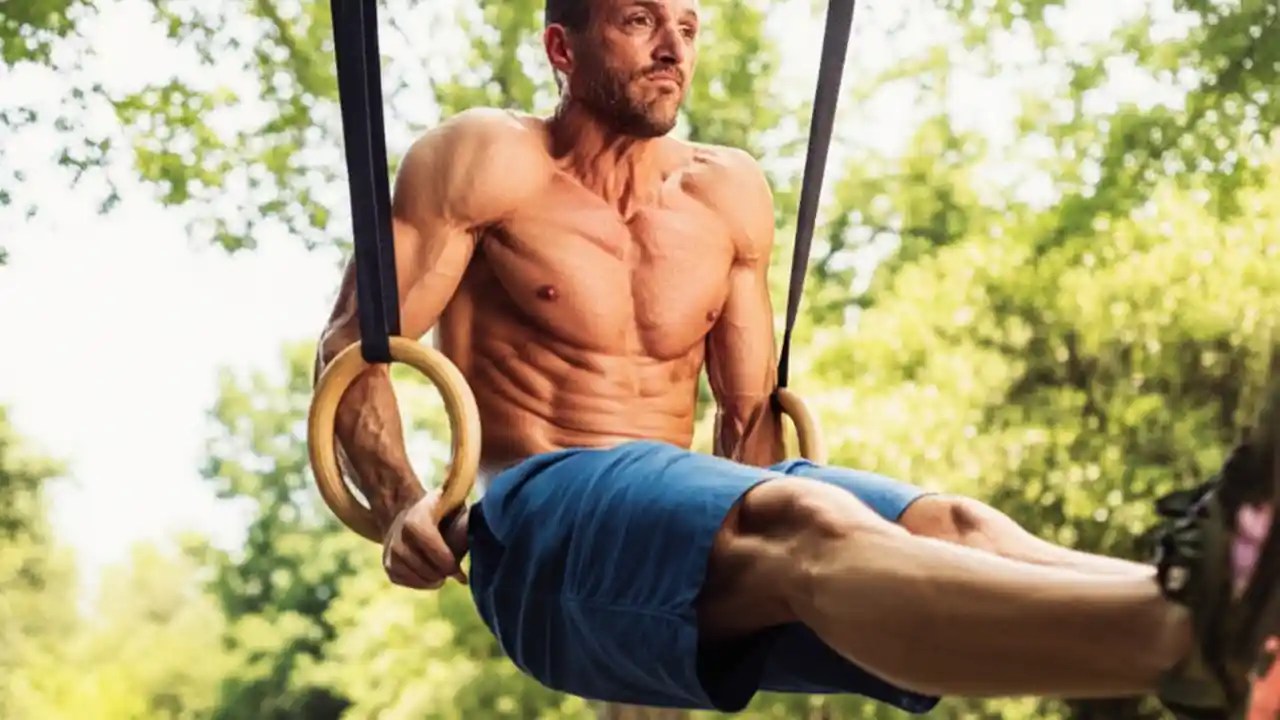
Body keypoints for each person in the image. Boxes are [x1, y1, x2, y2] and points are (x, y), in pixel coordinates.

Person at [313, 0, 1280, 715]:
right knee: (809, 518)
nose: (671, 49)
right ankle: (1178, 636)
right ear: (563, 48)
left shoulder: (726, 194)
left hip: (679, 513)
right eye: (639, 22)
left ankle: (1221, 622)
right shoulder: (487, 158)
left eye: (687, 26)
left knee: (946, 521)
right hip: (541, 517)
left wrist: (703, 614)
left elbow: (750, 430)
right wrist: (405, 502)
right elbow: (355, 351)